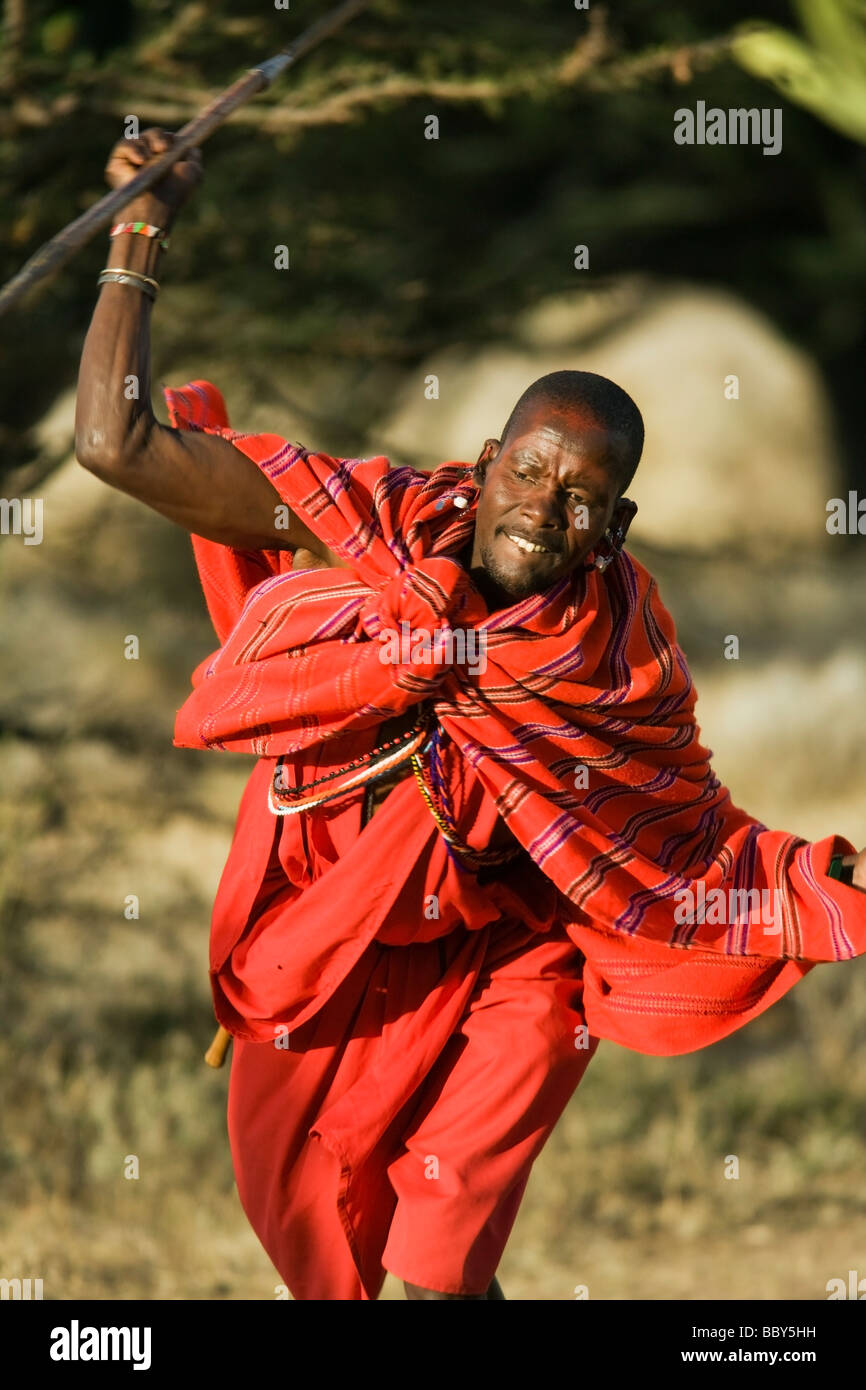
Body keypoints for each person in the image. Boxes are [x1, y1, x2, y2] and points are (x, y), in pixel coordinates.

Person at [75, 129, 866, 1301]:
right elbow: (114, 443)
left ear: (620, 524)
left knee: (440, 1253)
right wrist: (141, 231)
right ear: (488, 459)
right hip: (335, 944)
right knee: (309, 1216)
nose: (544, 513)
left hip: (518, 950)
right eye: (531, 472)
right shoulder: (367, 524)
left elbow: (688, 833)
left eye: (583, 500)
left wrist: (828, 887)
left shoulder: (616, 656)